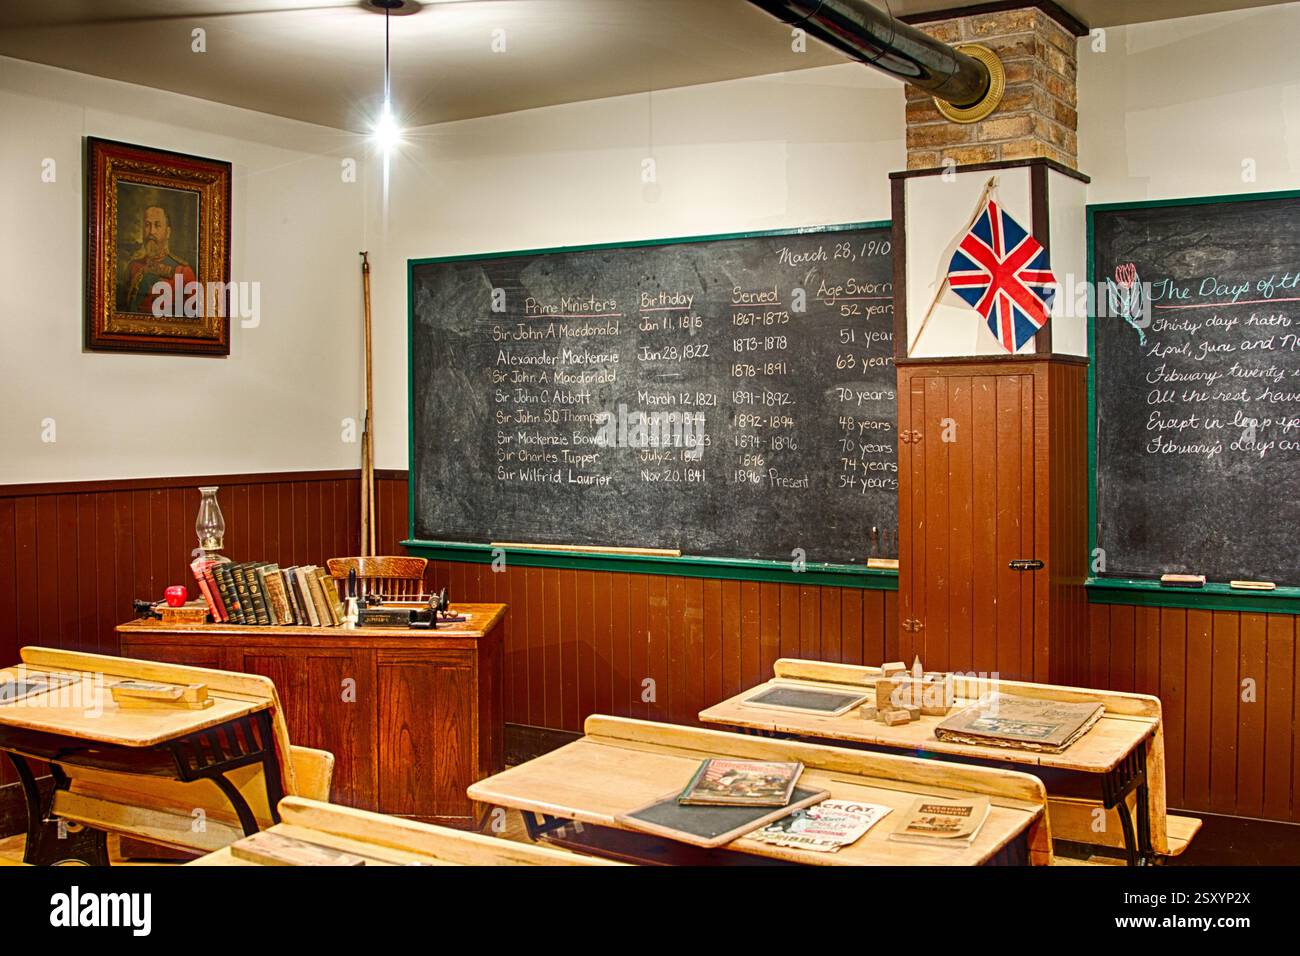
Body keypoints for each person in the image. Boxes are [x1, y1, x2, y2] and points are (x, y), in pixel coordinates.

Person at [119, 204, 197, 315]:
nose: (151, 231)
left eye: (157, 225)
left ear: (168, 232)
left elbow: (194, 316)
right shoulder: (133, 266)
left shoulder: (183, 271)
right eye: (147, 225)